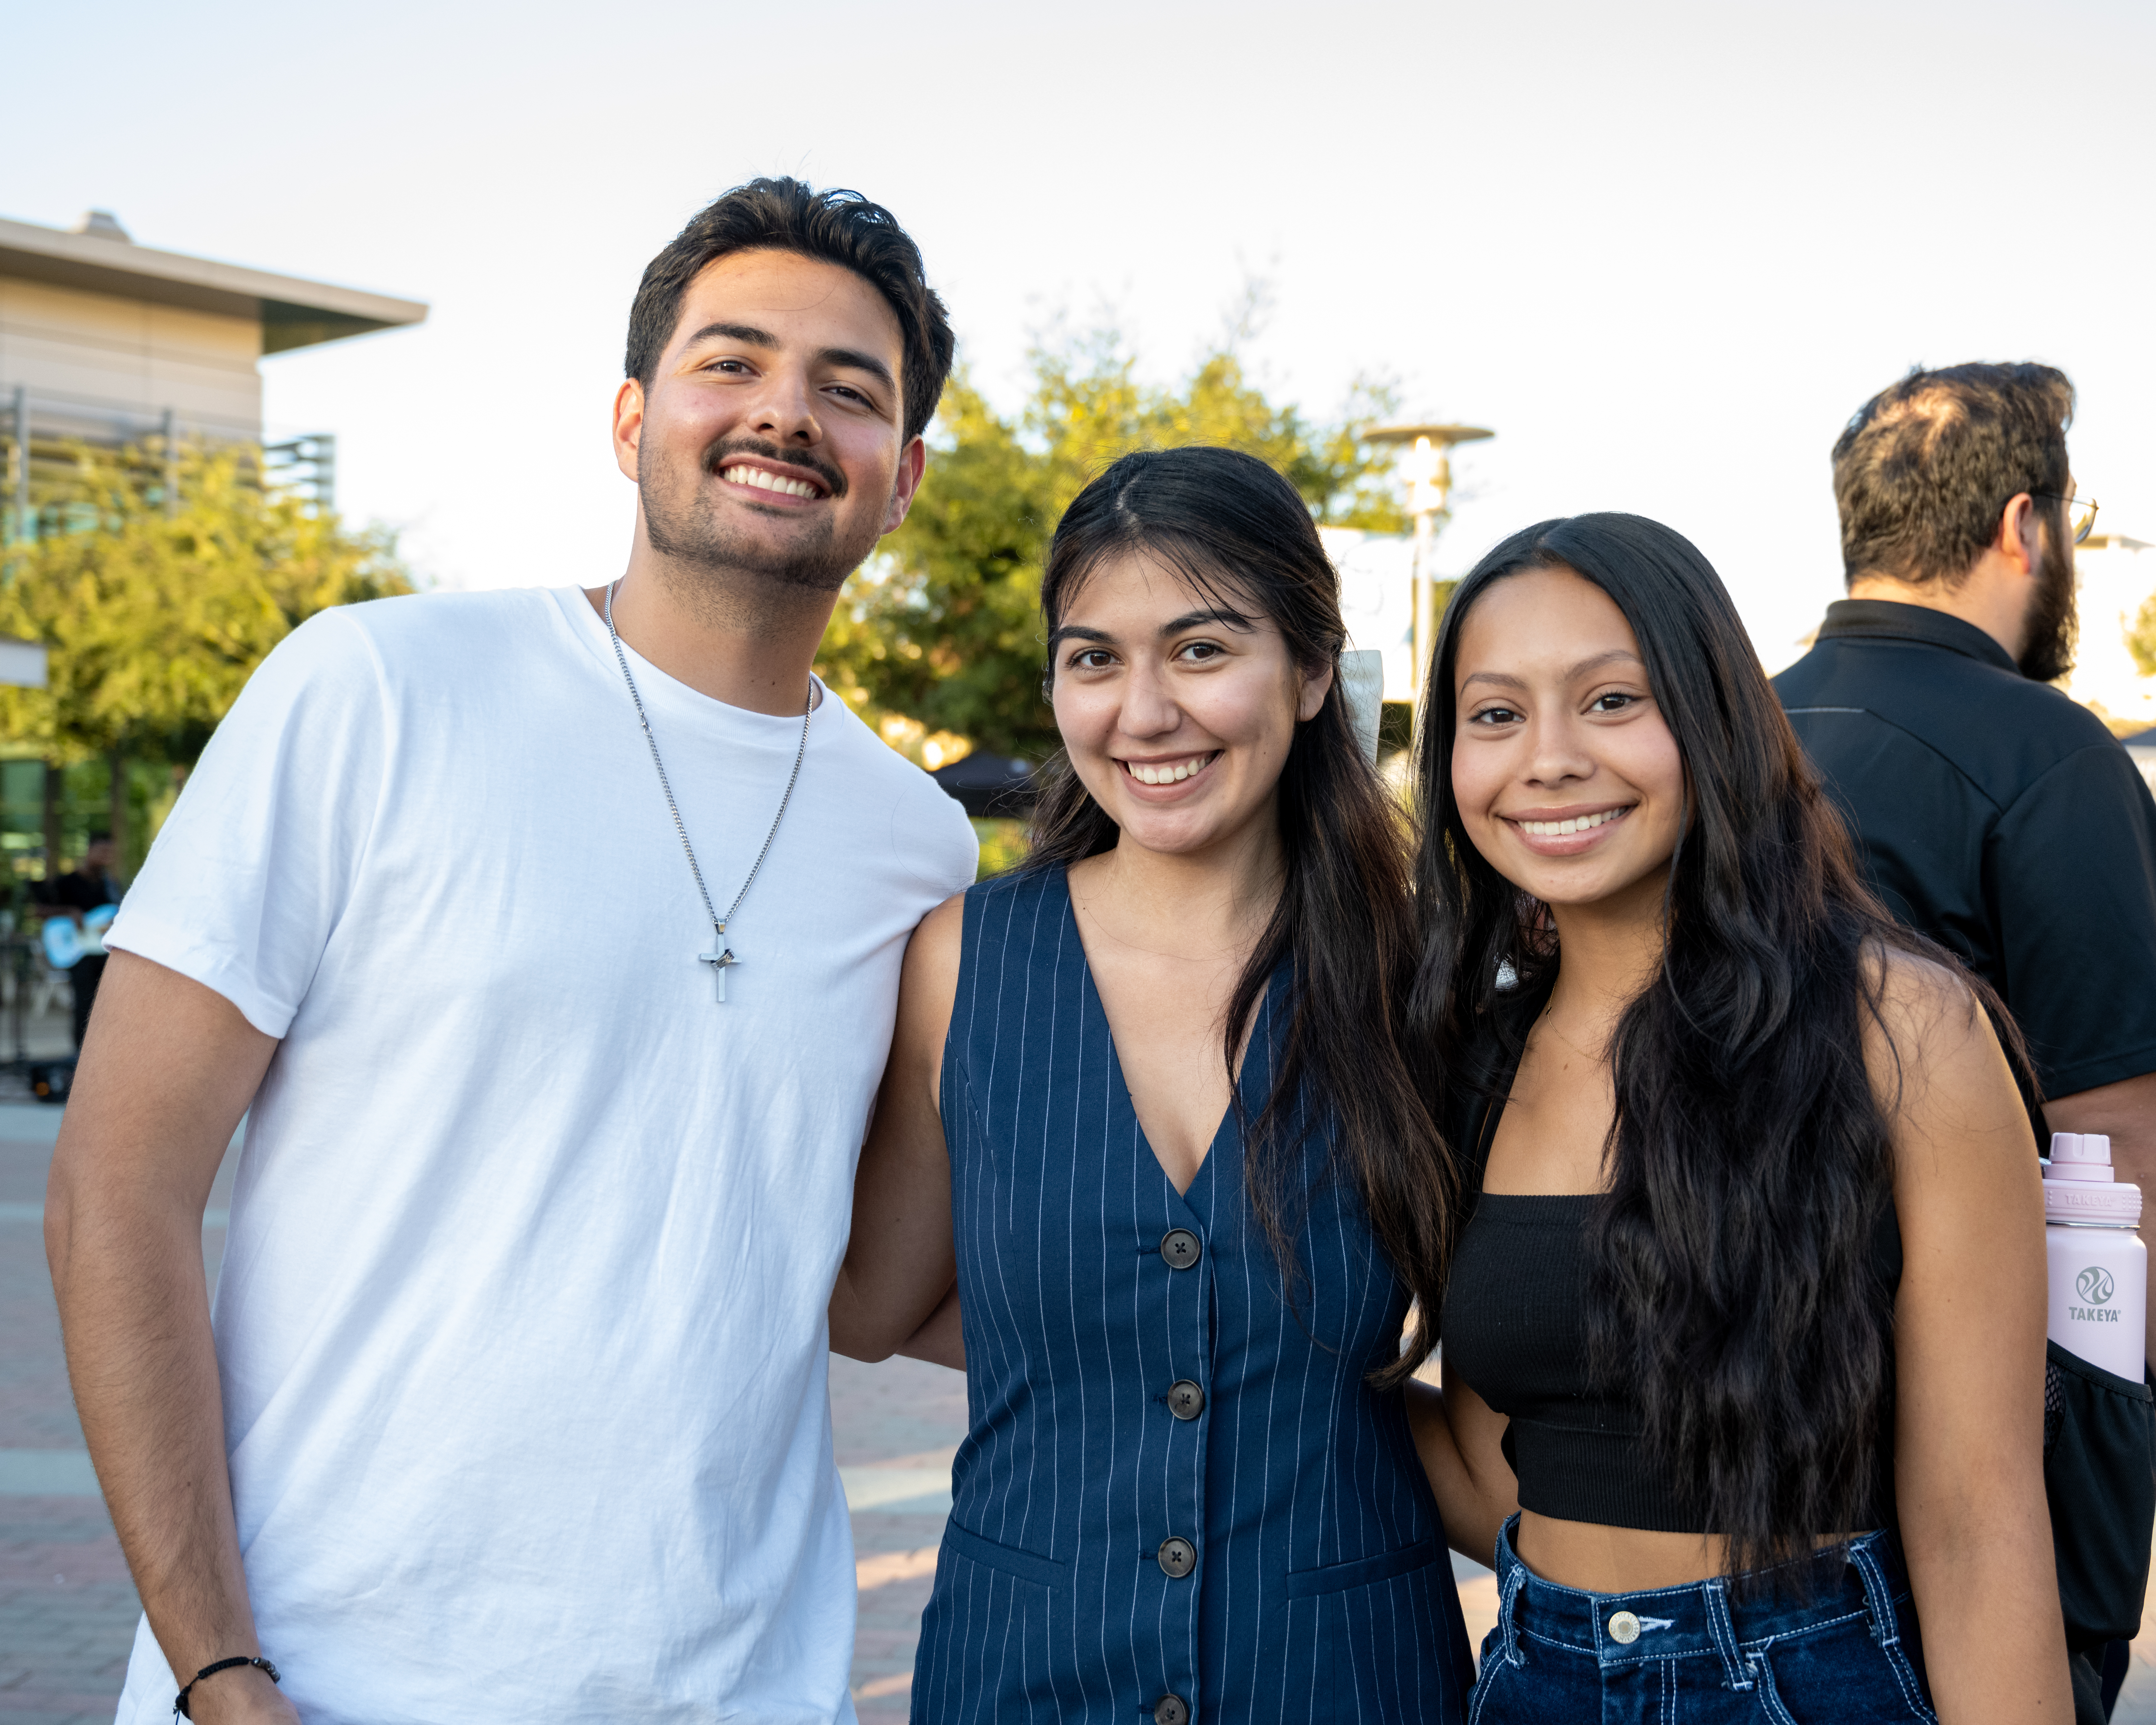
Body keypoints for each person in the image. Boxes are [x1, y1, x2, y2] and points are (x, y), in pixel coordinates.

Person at [44, 178, 975, 1725]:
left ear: (904, 477)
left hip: (738, 1687)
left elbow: (861, 1280)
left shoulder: (916, 846)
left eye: (848, 388)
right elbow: (116, 1184)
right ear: (630, 421)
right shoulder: (375, 687)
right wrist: (220, 1668)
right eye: (730, 361)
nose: (786, 412)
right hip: (319, 1683)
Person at [831, 446, 1474, 1724]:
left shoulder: (1427, 976)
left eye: (1198, 649)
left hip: (1348, 1672)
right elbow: (876, 1303)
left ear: (1305, 670)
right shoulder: (964, 961)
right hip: (1025, 1668)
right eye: (1094, 658)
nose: (1142, 710)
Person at [1405, 514, 2068, 1721]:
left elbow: (1978, 1515)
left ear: (1713, 717)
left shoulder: (1898, 1025)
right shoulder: (1473, 1056)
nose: (1545, 759)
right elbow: (1491, 1465)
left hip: (1805, 1676)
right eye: (1494, 715)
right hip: (1535, 1674)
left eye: (1611, 701)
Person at [1775, 364, 2156, 1357]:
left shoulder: (1724, 730)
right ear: (2021, 523)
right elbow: (2115, 1144)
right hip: (1973, 1383)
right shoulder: (2049, 752)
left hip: (1726, 1366)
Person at [37, 829, 121, 1047]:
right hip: (78, 951)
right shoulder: (66, 882)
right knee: (83, 1004)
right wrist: (70, 911)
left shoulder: (110, 885)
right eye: (102, 851)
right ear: (89, 850)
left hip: (103, 951)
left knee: (107, 1003)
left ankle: (103, 1049)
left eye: (110, 852)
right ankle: (80, 1053)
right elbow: (40, 910)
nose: (106, 857)